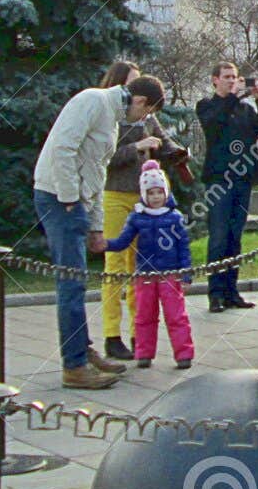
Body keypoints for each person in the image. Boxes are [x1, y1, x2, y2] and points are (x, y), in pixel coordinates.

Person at [33, 73, 165, 389]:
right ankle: (74, 366)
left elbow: (96, 173)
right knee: (71, 282)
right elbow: (63, 149)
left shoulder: (112, 118)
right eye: (146, 113)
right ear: (140, 101)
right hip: (58, 197)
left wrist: (95, 225)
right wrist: (67, 197)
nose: (143, 120)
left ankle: (80, 350)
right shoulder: (93, 101)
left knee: (75, 281)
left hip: (75, 200)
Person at [100, 104, 188, 360]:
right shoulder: (111, 117)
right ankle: (111, 335)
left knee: (140, 267)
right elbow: (105, 158)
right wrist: (135, 147)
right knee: (115, 265)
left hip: (144, 199)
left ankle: (137, 334)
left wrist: (176, 152)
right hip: (116, 194)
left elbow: (164, 141)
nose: (145, 105)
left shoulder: (148, 118)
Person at [195, 61, 258, 314]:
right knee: (218, 236)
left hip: (242, 178)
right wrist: (232, 97)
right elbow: (213, 126)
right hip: (219, 179)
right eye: (226, 77)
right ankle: (215, 293)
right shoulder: (207, 106)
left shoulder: (244, 109)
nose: (231, 81)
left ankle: (231, 291)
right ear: (215, 80)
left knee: (234, 237)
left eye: (234, 77)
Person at [106, 161, 196, 370]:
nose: (156, 197)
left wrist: (186, 273)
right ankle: (144, 352)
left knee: (176, 316)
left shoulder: (174, 218)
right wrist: (106, 245)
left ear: (166, 192)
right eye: (151, 192)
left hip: (171, 274)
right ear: (144, 194)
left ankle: (184, 353)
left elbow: (183, 247)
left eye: (159, 192)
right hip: (145, 275)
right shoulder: (136, 218)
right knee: (144, 315)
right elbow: (123, 241)